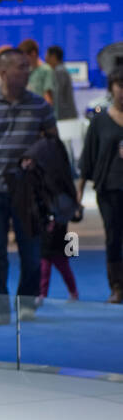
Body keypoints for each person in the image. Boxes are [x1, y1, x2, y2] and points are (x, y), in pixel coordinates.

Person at [0, 48, 61, 325]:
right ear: (3, 71)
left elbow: (54, 145)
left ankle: (26, 304)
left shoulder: (40, 107)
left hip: (28, 191)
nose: (27, 70)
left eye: (27, 66)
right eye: (20, 66)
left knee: (31, 251)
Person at [77, 67, 123, 303]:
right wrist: (79, 191)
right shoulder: (100, 121)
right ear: (112, 89)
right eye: (120, 86)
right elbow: (87, 157)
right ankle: (116, 286)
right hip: (109, 188)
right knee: (113, 236)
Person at [24, 128, 80, 303]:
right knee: (50, 260)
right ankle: (46, 293)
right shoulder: (45, 164)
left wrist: (54, 218)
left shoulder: (50, 155)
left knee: (58, 260)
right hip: (50, 220)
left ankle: (64, 293)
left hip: (57, 220)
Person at [20, 39, 55, 105]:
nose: (23, 59)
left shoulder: (46, 70)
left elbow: (49, 98)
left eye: (24, 56)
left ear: (33, 53)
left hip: (41, 110)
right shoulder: (27, 70)